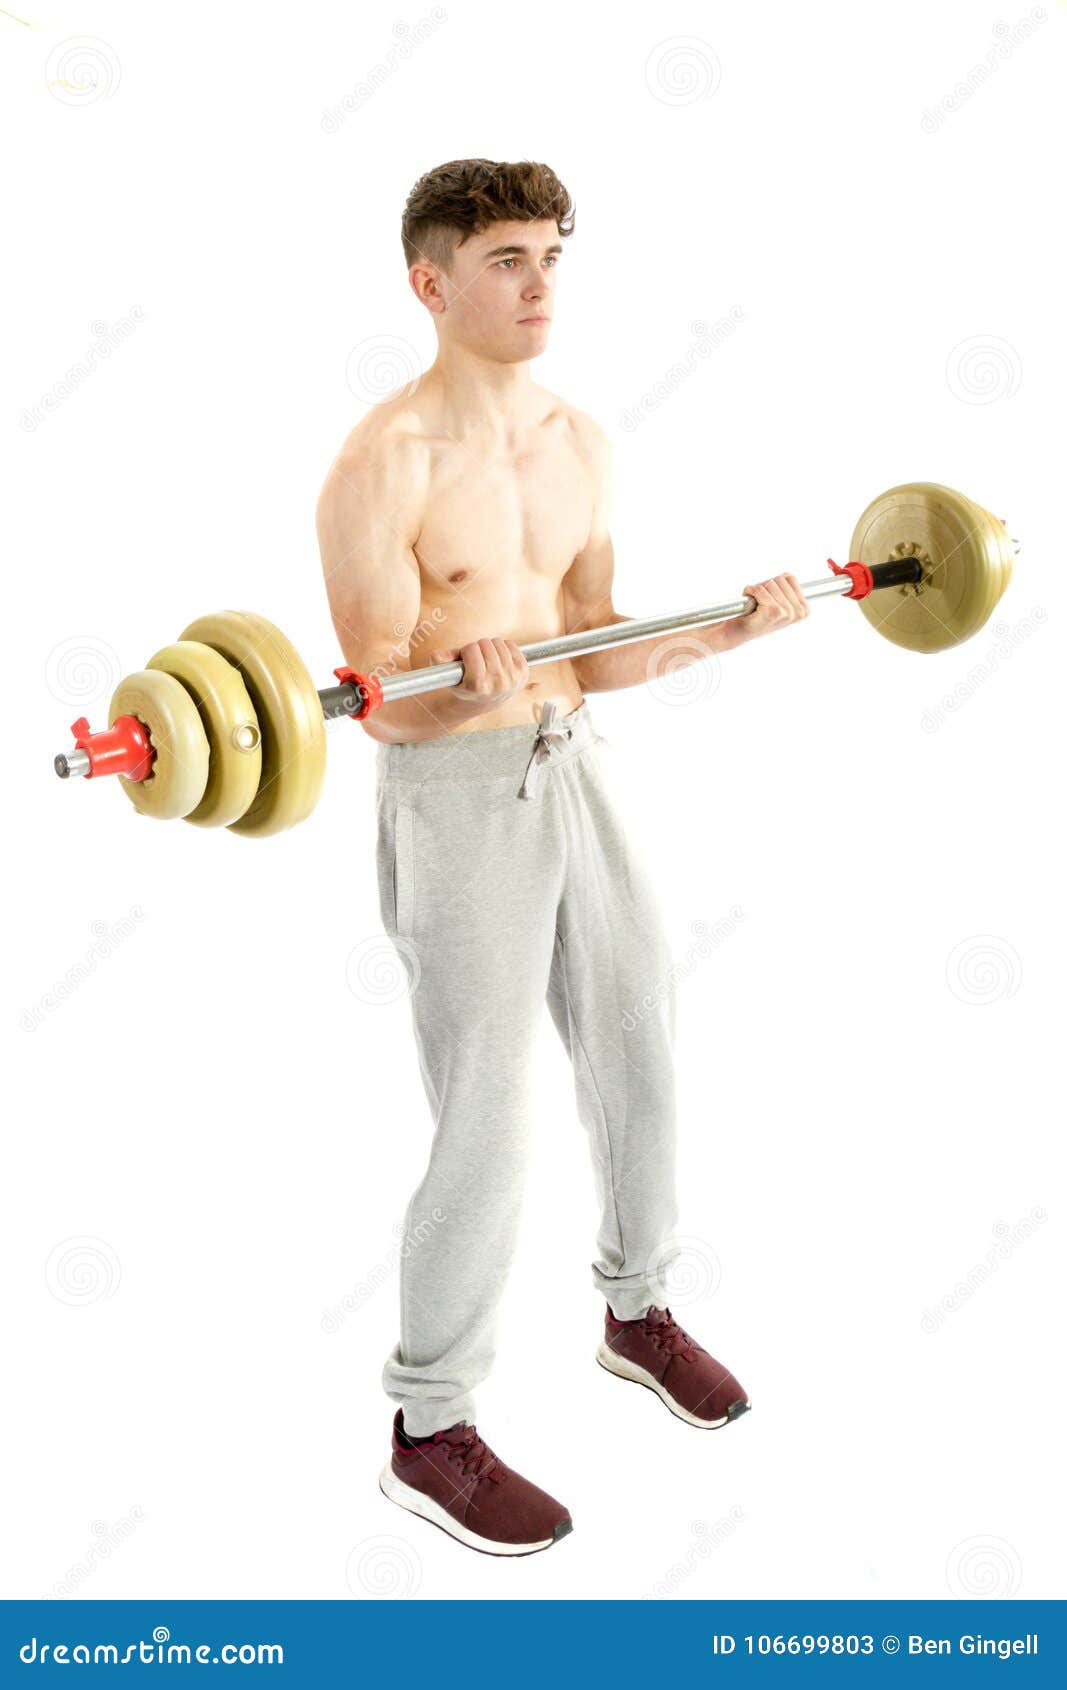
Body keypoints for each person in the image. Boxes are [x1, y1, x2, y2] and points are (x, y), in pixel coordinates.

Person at [315, 158, 809, 1557]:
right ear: (432, 283)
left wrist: (719, 633)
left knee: (642, 1034)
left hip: (571, 767)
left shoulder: (581, 439)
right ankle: (429, 1428)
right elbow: (379, 701)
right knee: (491, 1112)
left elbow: (594, 640)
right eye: (510, 260)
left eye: (554, 254)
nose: (542, 286)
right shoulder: (377, 465)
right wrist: (459, 686)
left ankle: (638, 1308)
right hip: (455, 788)